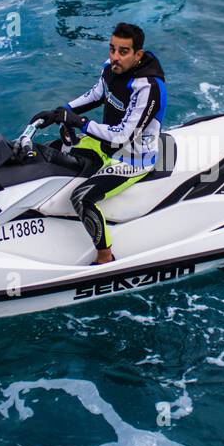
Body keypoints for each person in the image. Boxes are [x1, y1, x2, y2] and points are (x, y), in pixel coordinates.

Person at [30, 23, 166, 265]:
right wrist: (61, 112)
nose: (114, 57)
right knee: (50, 153)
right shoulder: (111, 68)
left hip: (132, 158)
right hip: (102, 144)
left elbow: (124, 135)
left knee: (82, 197)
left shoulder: (149, 88)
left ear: (138, 55)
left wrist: (79, 122)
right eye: (112, 49)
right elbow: (96, 95)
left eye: (123, 52)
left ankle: (105, 256)